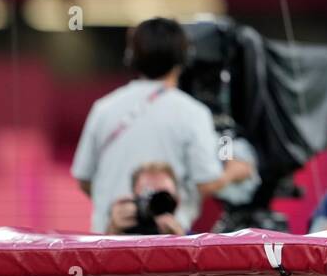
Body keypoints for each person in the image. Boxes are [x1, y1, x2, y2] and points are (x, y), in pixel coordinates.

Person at [71, 17, 253, 233]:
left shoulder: (103, 108)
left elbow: (84, 178)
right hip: (164, 243)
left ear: (132, 56)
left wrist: (115, 202)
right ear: (184, 58)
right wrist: (236, 170)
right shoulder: (193, 113)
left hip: (108, 241)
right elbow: (206, 181)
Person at [105, 162, 186, 236]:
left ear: (177, 201)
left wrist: (181, 243)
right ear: (133, 199)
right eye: (147, 195)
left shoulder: (194, 240)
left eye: (163, 198)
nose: (156, 204)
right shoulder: (123, 233)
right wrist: (113, 232)